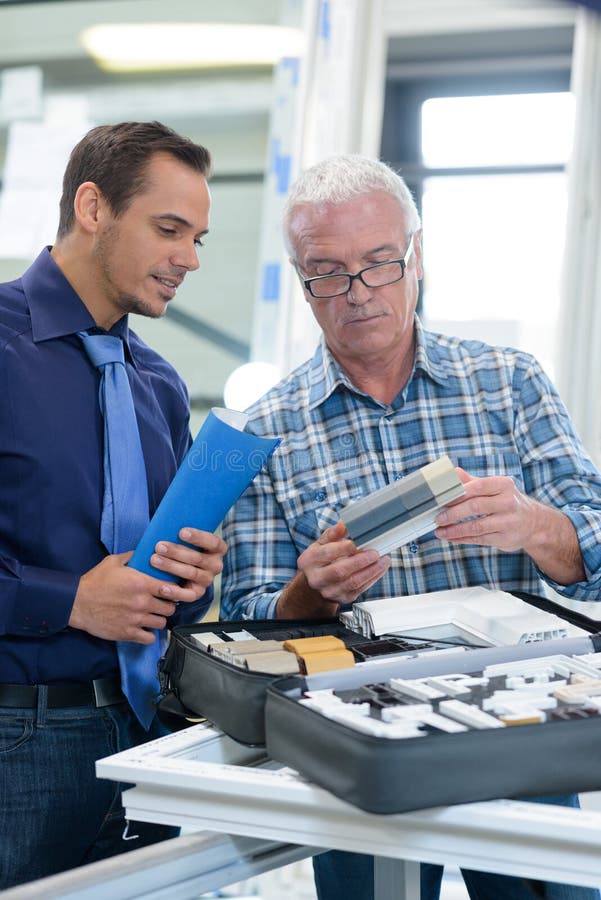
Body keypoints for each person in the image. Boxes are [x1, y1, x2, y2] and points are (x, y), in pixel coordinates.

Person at [220, 155, 601, 900]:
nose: (357, 294)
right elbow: (247, 623)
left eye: (379, 263)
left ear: (417, 255)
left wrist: (533, 525)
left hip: (517, 725)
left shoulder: (509, 382)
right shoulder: (266, 431)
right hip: (361, 742)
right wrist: (309, 592)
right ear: (301, 281)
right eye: (327, 273)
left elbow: (595, 542)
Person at [0, 121, 227, 889]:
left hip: (148, 736)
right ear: (92, 207)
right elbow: (86, 598)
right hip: (18, 740)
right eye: (169, 230)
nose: (189, 260)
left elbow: (165, 596)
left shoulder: (156, 383)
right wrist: (70, 601)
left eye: (197, 238)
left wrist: (190, 579)